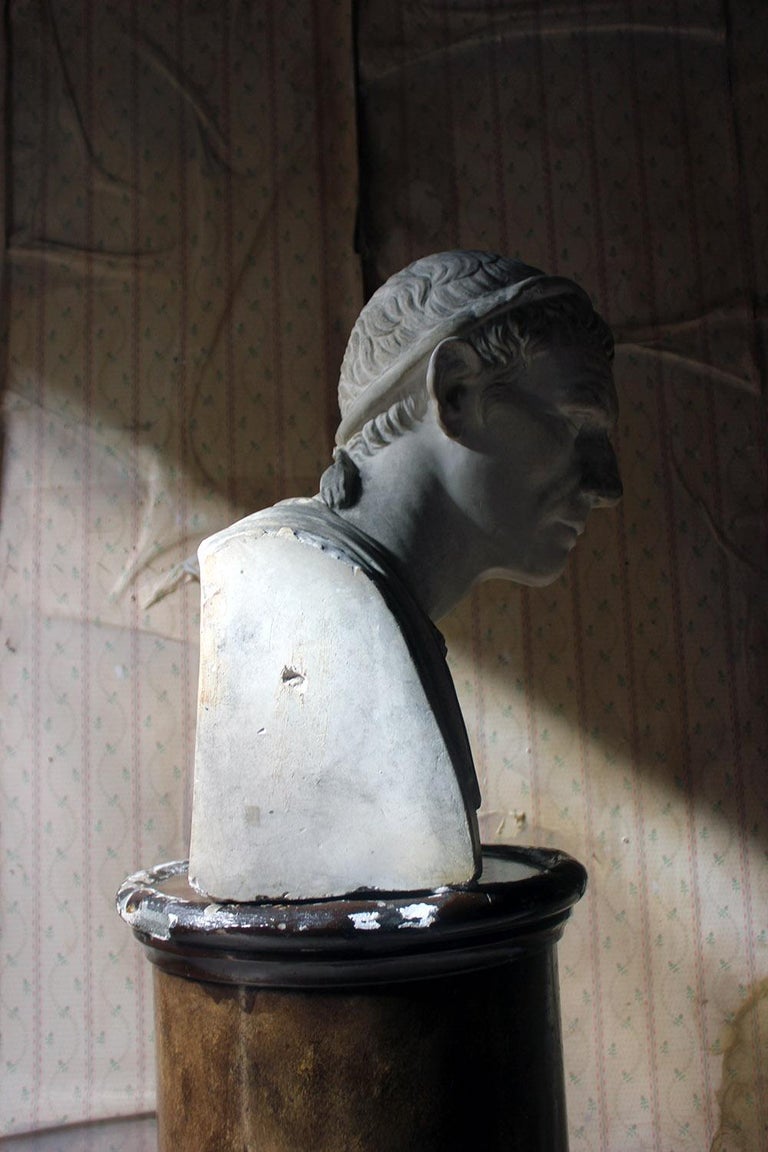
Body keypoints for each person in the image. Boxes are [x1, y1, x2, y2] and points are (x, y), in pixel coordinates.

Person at [188, 251, 622, 901]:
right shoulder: (301, 598)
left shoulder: (372, 603)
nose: (608, 486)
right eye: (574, 423)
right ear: (454, 391)